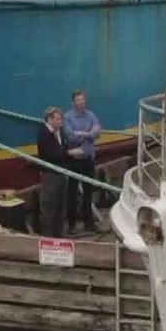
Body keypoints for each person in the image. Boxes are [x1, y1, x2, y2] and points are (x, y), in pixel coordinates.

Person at [35, 107, 83, 237]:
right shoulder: (44, 133)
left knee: (61, 205)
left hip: (61, 172)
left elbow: (63, 148)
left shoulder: (59, 132)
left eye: (60, 119)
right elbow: (49, 154)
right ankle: (48, 236)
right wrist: (68, 153)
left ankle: (59, 234)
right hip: (50, 174)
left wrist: (73, 153)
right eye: (57, 119)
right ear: (49, 119)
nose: (60, 122)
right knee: (49, 206)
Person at [62, 89, 104, 233]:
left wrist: (83, 133)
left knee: (88, 192)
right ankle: (72, 225)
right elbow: (70, 137)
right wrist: (89, 134)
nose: (81, 102)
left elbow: (98, 130)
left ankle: (89, 223)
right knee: (72, 193)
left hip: (88, 158)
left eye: (82, 99)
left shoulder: (91, 115)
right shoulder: (67, 117)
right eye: (78, 100)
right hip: (74, 160)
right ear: (73, 102)